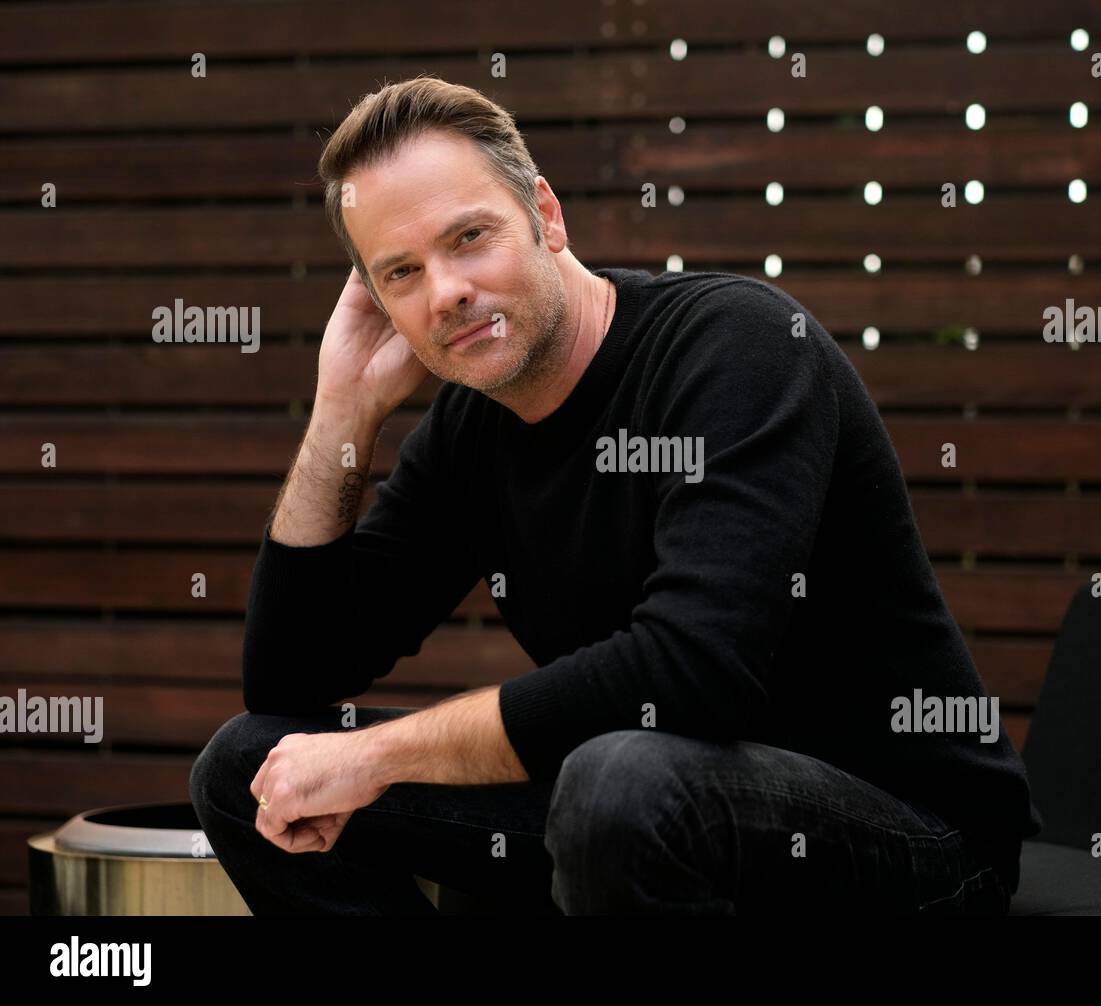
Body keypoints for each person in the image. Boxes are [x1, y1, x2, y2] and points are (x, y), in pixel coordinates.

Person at [190, 75, 1042, 916]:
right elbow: (289, 681)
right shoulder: (473, 428)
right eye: (402, 273)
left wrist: (379, 757)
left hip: (911, 835)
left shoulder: (737, 347)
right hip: (647, 807)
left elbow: (692, 676)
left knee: (620, 782)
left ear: (546, 215)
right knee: (249, 768)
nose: (446, 292)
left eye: (469, 237)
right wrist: (344, 410)